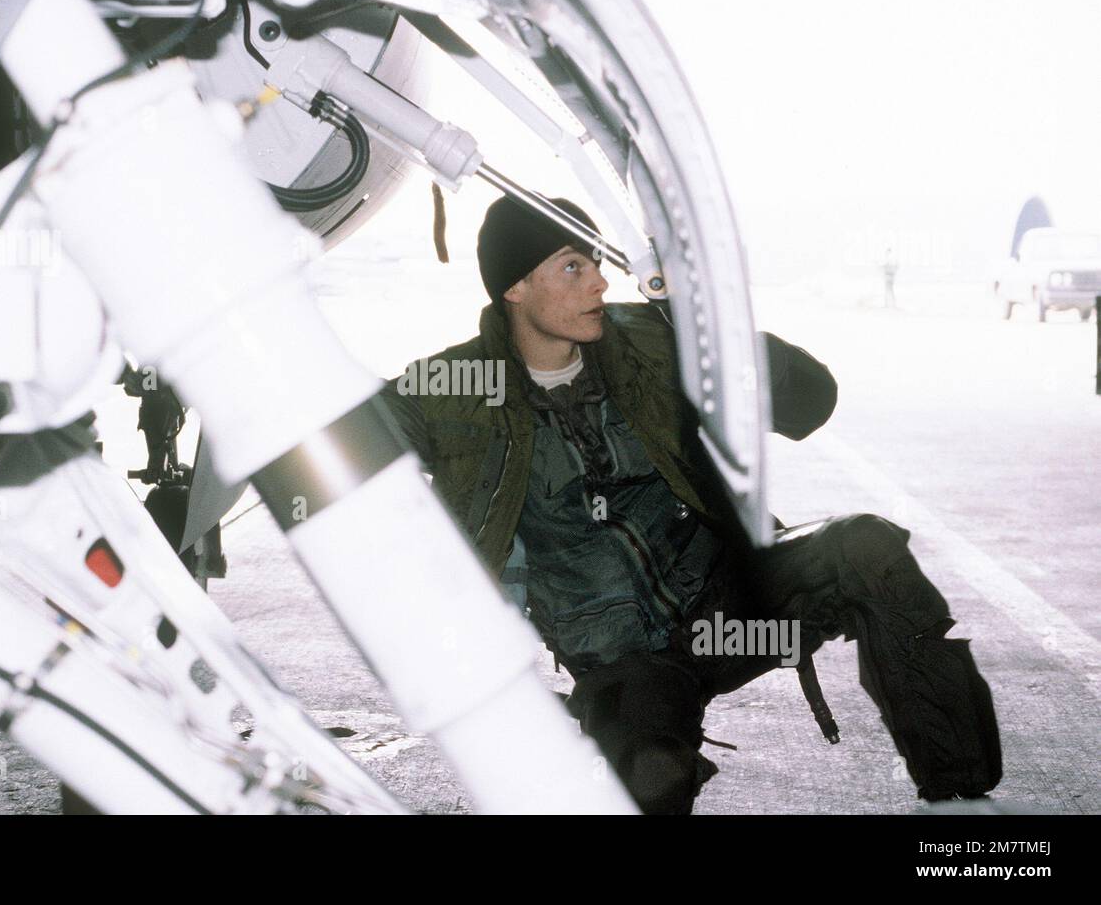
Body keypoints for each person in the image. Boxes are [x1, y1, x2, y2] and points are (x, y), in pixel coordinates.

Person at [378, 195, 1002, 814]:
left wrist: (709, 327)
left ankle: (961, 804)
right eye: (573, 266)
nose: (599, 280)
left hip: (732, 623)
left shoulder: (646, 337)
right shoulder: (454, 386)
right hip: (631, 665)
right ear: (514, 288)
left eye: (597, 262)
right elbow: (327, 454)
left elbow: (811, 401)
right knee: (653, 780)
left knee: (865, 545)